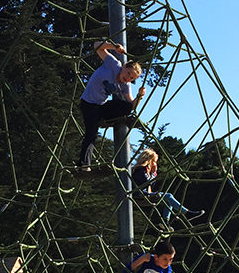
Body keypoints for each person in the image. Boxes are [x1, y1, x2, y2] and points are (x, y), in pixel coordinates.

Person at [77, 39, 146, 171]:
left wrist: (139, 96)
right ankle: (84, 164)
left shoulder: (126, 85)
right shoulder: (114, 64)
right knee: (92, 133)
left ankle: (106, 118)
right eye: (128, 74)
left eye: (132, 78)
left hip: (101, 106)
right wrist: (113, 47)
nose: (128, 78)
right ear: (124, 67)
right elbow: (97, 47)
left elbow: (131, 105)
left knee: (126, 107)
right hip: (88, 103)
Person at [131, 148, 204, 228]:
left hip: (145, 195)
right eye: (154, 161)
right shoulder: (140, 170)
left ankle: (165, 221)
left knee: (168, 199)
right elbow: (146, 182)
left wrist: (153, 174)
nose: (155, 164)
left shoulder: (146, 171)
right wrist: (153, 175)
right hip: (140, 195)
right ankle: (186, 213)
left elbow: (150, 185)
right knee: (168, 196)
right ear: (149, 161)